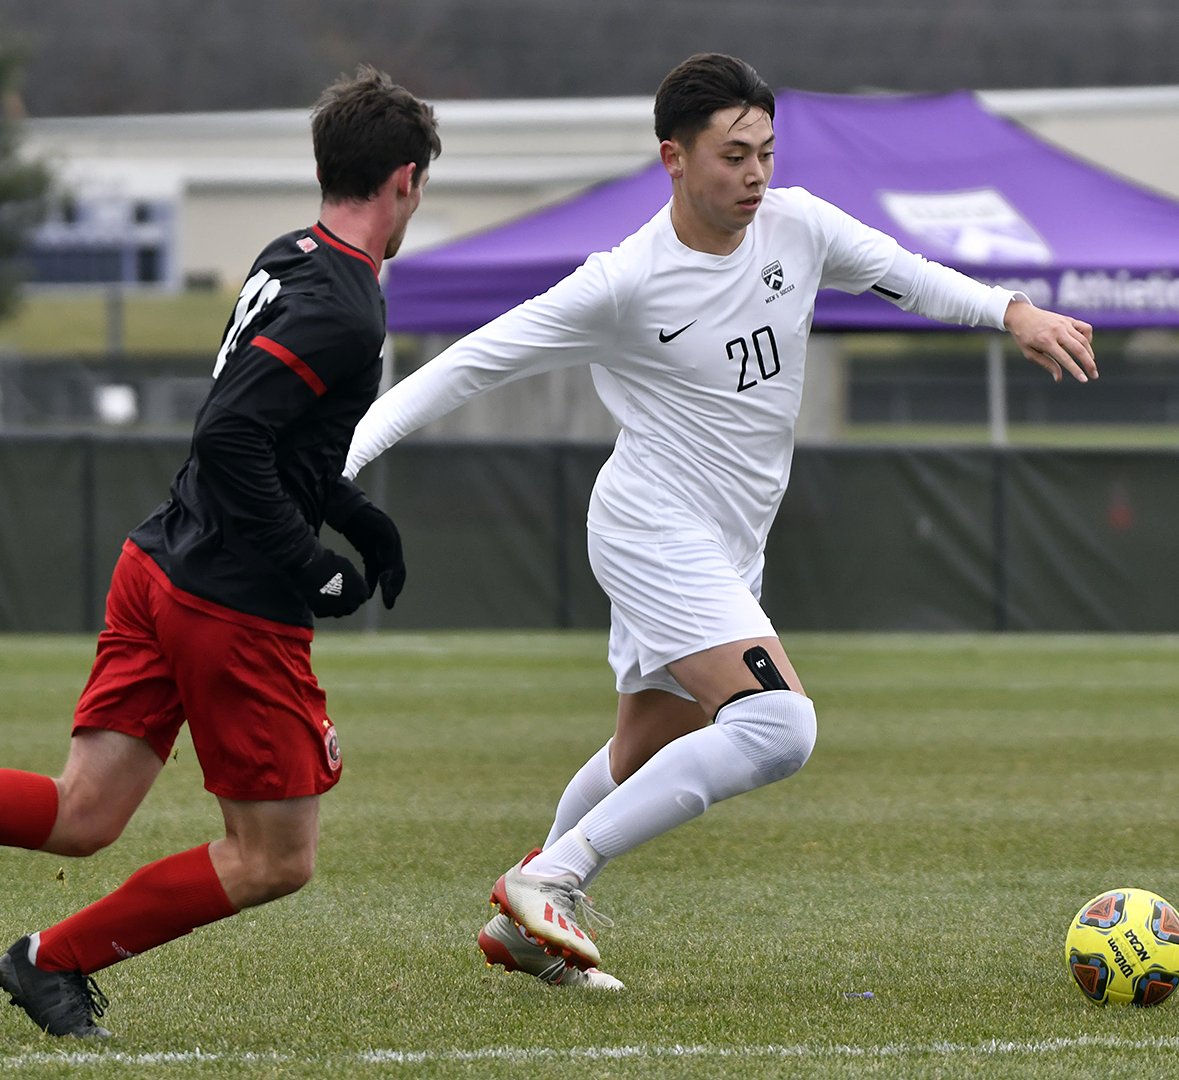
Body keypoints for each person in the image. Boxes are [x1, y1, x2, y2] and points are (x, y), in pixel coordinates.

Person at [343, 53, 1097, 989]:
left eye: (766, 153)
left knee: (642, 748)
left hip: (729, 542)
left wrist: (1014, 311)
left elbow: (907, 276)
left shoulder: (798, 227)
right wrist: (336, 462)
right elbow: (471, 365)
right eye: (734, 155)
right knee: (779, 724)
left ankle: (531, 928)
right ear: (673, 158)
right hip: (652, 527)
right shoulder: (622, 282)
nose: (755, 175)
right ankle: (551, 877)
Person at [0, 67, 434, 1036]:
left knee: (85, 812)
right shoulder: (348, 301)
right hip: (229, 601)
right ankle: (50, 962)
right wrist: (310, 560)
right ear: (405, 181)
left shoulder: (288, 254)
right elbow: (232, 439)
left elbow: (269, 434)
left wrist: (357, 517)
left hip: (160, 562)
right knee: (275, 856)